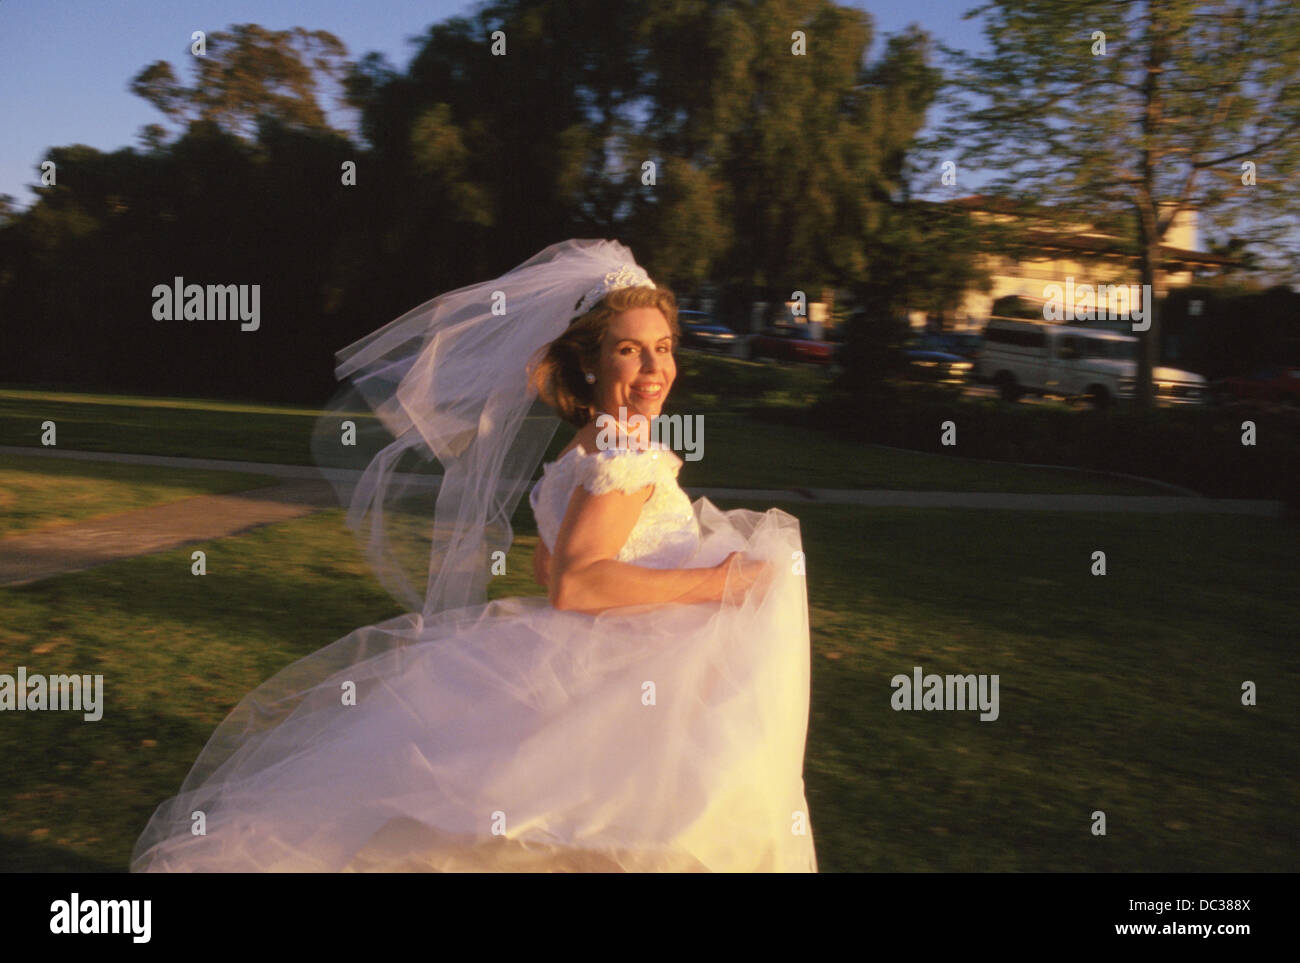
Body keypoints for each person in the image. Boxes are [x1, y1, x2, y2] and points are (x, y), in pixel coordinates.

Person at [130, 239, 817, 872]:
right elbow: (574, 585)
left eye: (663, 348)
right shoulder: (623, 452)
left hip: (609, 661)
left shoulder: (579, 449)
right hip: (625, 668)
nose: (654, 368)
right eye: (629, 350)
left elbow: (549, 565)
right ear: (591, 358)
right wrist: (718, 580)